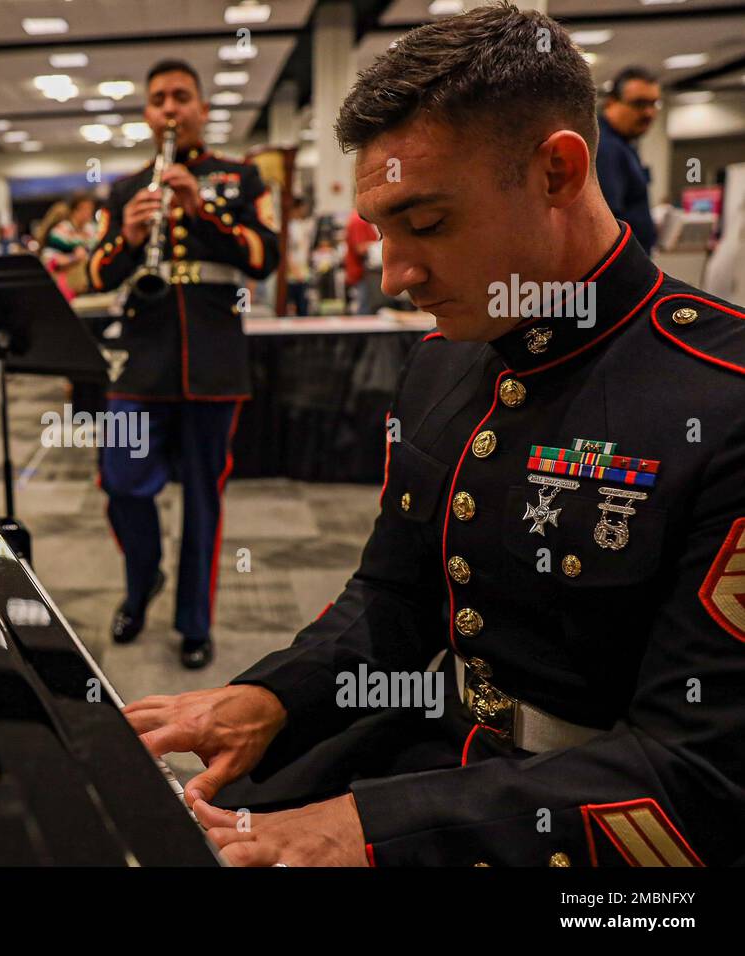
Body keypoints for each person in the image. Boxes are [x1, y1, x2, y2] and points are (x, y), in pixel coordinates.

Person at [124, 2, 745, 867]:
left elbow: (701, 777)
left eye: (426, 224)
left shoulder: (723, 398)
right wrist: (271, 694)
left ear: (558, 172)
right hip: (432, 739)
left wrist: (375, 831)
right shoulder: (444, 363)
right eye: (382, 232)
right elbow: (393, 599)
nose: (394, 276)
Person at [89, 58, 279, 669]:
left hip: (213, 365)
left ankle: (194, 621)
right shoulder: (124, 189)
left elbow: (264, 256)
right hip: (138, 368)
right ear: (147, 114)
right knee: (119, 483)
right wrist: (124, 233)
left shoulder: (241, 177)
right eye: (158, 99)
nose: (169, 108)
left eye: (181, 97)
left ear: (201, 108)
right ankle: (142, 581)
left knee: (204, 500)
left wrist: (203, 211)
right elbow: (96, 272)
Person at [597, 66, 660, 254]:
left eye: (653, 104)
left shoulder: (623, 144)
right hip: (620, 273)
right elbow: (607, 222)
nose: (649, 113)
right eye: (639, 104)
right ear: (611, 104)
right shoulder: (606, 147)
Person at [40, 194, 97, 300]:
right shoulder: (60, 232)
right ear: (75, 210)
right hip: (66, 289)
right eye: (85, 209)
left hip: (86, 287)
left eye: (90, 209)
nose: (88, 213)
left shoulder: (92, 230)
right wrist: (74, 257)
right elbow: (50, 260)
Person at [284, 197, 314, 316]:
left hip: (303, 271)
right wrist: (293, 269)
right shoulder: (289, 227)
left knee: (303, 307)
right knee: (292, 306)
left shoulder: (301, 225)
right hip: (292, 273)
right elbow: (287, 250)